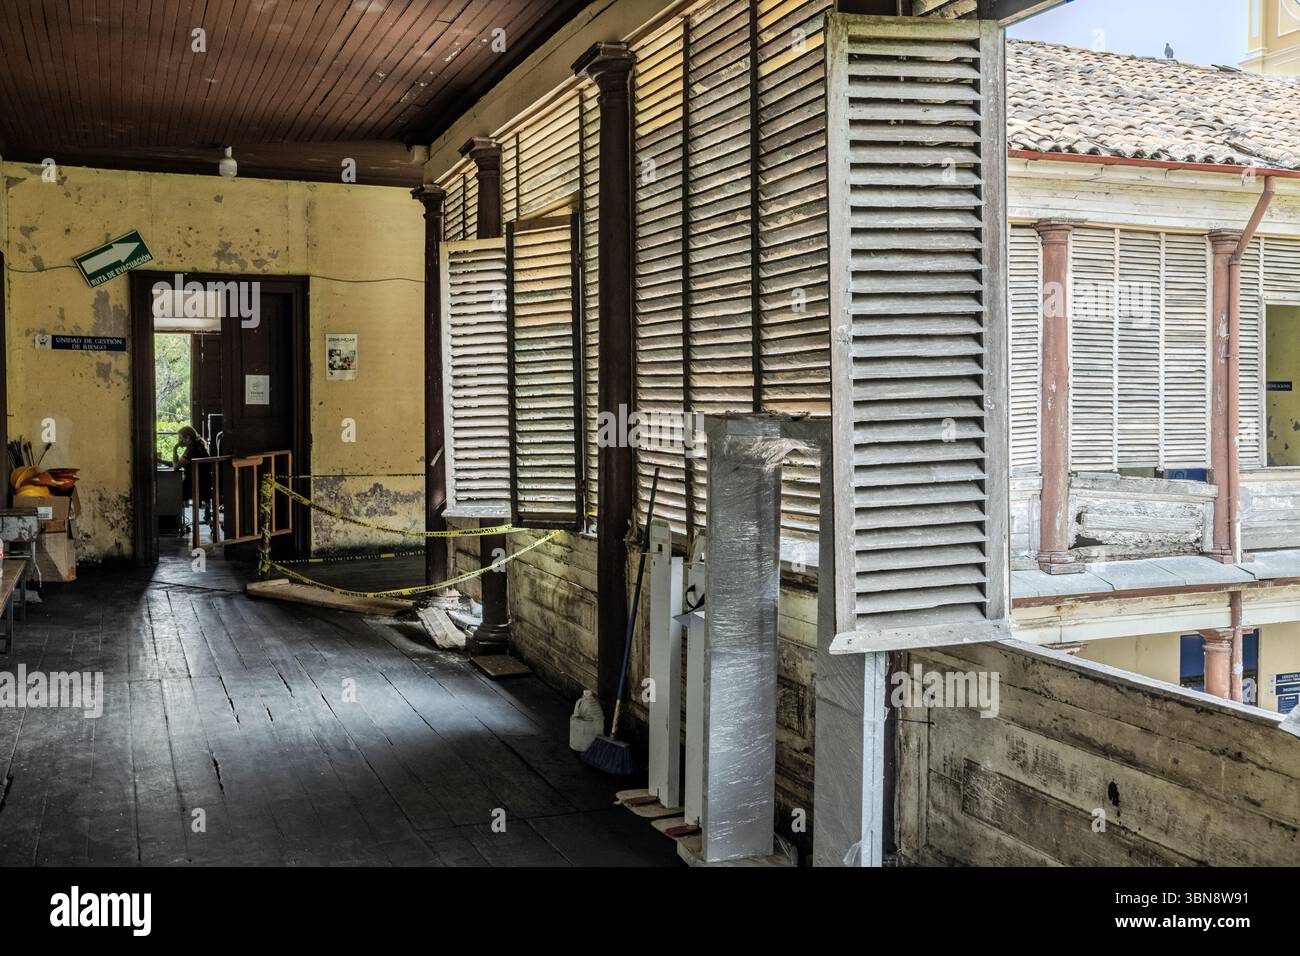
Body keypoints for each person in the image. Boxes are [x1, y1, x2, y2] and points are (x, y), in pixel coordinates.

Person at [172, 426, 212, 532]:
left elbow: (176, 467)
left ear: (187, 438)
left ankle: (174, 523)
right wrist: (161, 461)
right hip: (204, 483)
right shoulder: (198, 446)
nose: (179, 441)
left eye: (180, 438)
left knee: (171, 490)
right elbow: (179, 463)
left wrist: (175, 448)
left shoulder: (192, 449)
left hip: (194, 484)